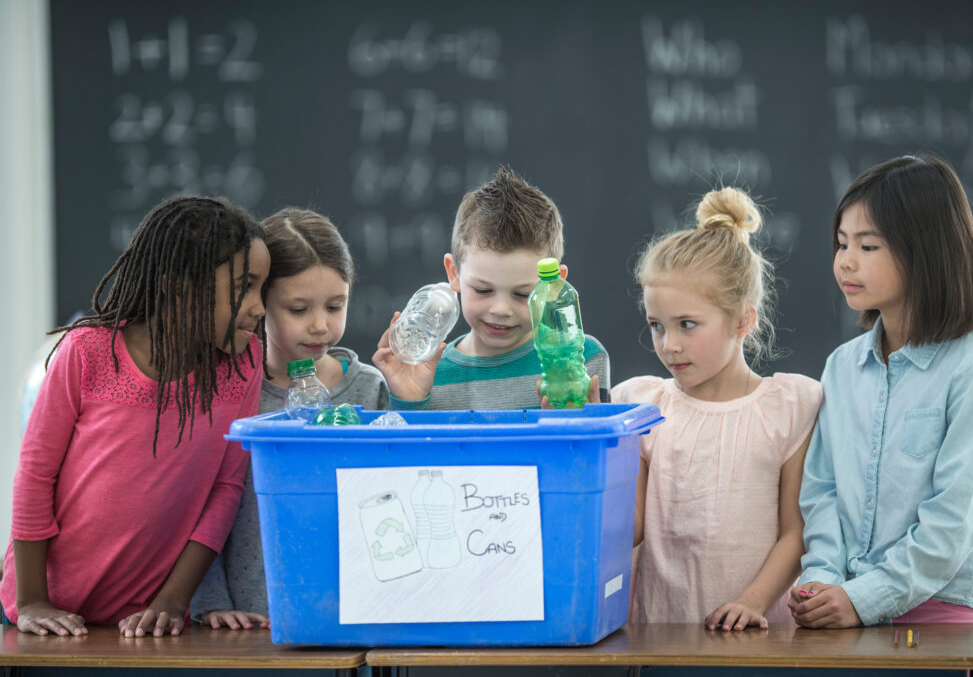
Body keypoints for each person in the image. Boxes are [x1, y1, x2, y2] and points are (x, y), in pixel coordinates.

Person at [0, 195, 269, 637]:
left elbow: (225, 486)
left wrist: (172, 601)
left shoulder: (245, 362)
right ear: (177, 285)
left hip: (146, 622)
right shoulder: (87, 351)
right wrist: (31, 601)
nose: (259, 306)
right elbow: (34, 473)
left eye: (263, 287)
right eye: (245, 287)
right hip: (44, 615)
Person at [789, 154, 973, 628]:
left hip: (947, 612)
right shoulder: (841, 368)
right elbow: (822, 493)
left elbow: (953, 526)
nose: (845, 261)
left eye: (868, 247)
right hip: (847, 603)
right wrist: (821, 581)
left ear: (924, 251)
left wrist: (864, 599)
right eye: (841, 243)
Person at [612, 186, 823, 630]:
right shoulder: (641, 405)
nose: (669, 345)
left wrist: (750, 603)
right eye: (657, 326)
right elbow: (628, 529)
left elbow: (795, 532)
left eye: (688, 325)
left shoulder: (790, 407)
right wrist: (584, 431)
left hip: (762, 645)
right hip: (659, 641)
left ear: (743, 320)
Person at [189, 208, 388, 630]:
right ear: (259, 302)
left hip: (351, 615)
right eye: (298, 309)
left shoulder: (370, 388)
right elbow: (196, 503)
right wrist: (209, 601)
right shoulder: (226, 390)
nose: (320, 325)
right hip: (243, 619)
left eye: (336, 306)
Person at [374, 166, 609, 410]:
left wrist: (575, 427)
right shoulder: (426, 373)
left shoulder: (580, 359)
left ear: (554, 285)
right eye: (483, 290)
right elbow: (416, 449)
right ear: (454, 273)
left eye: (523, 294)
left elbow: (600, 448)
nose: (501, 309)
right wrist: (410, 401)